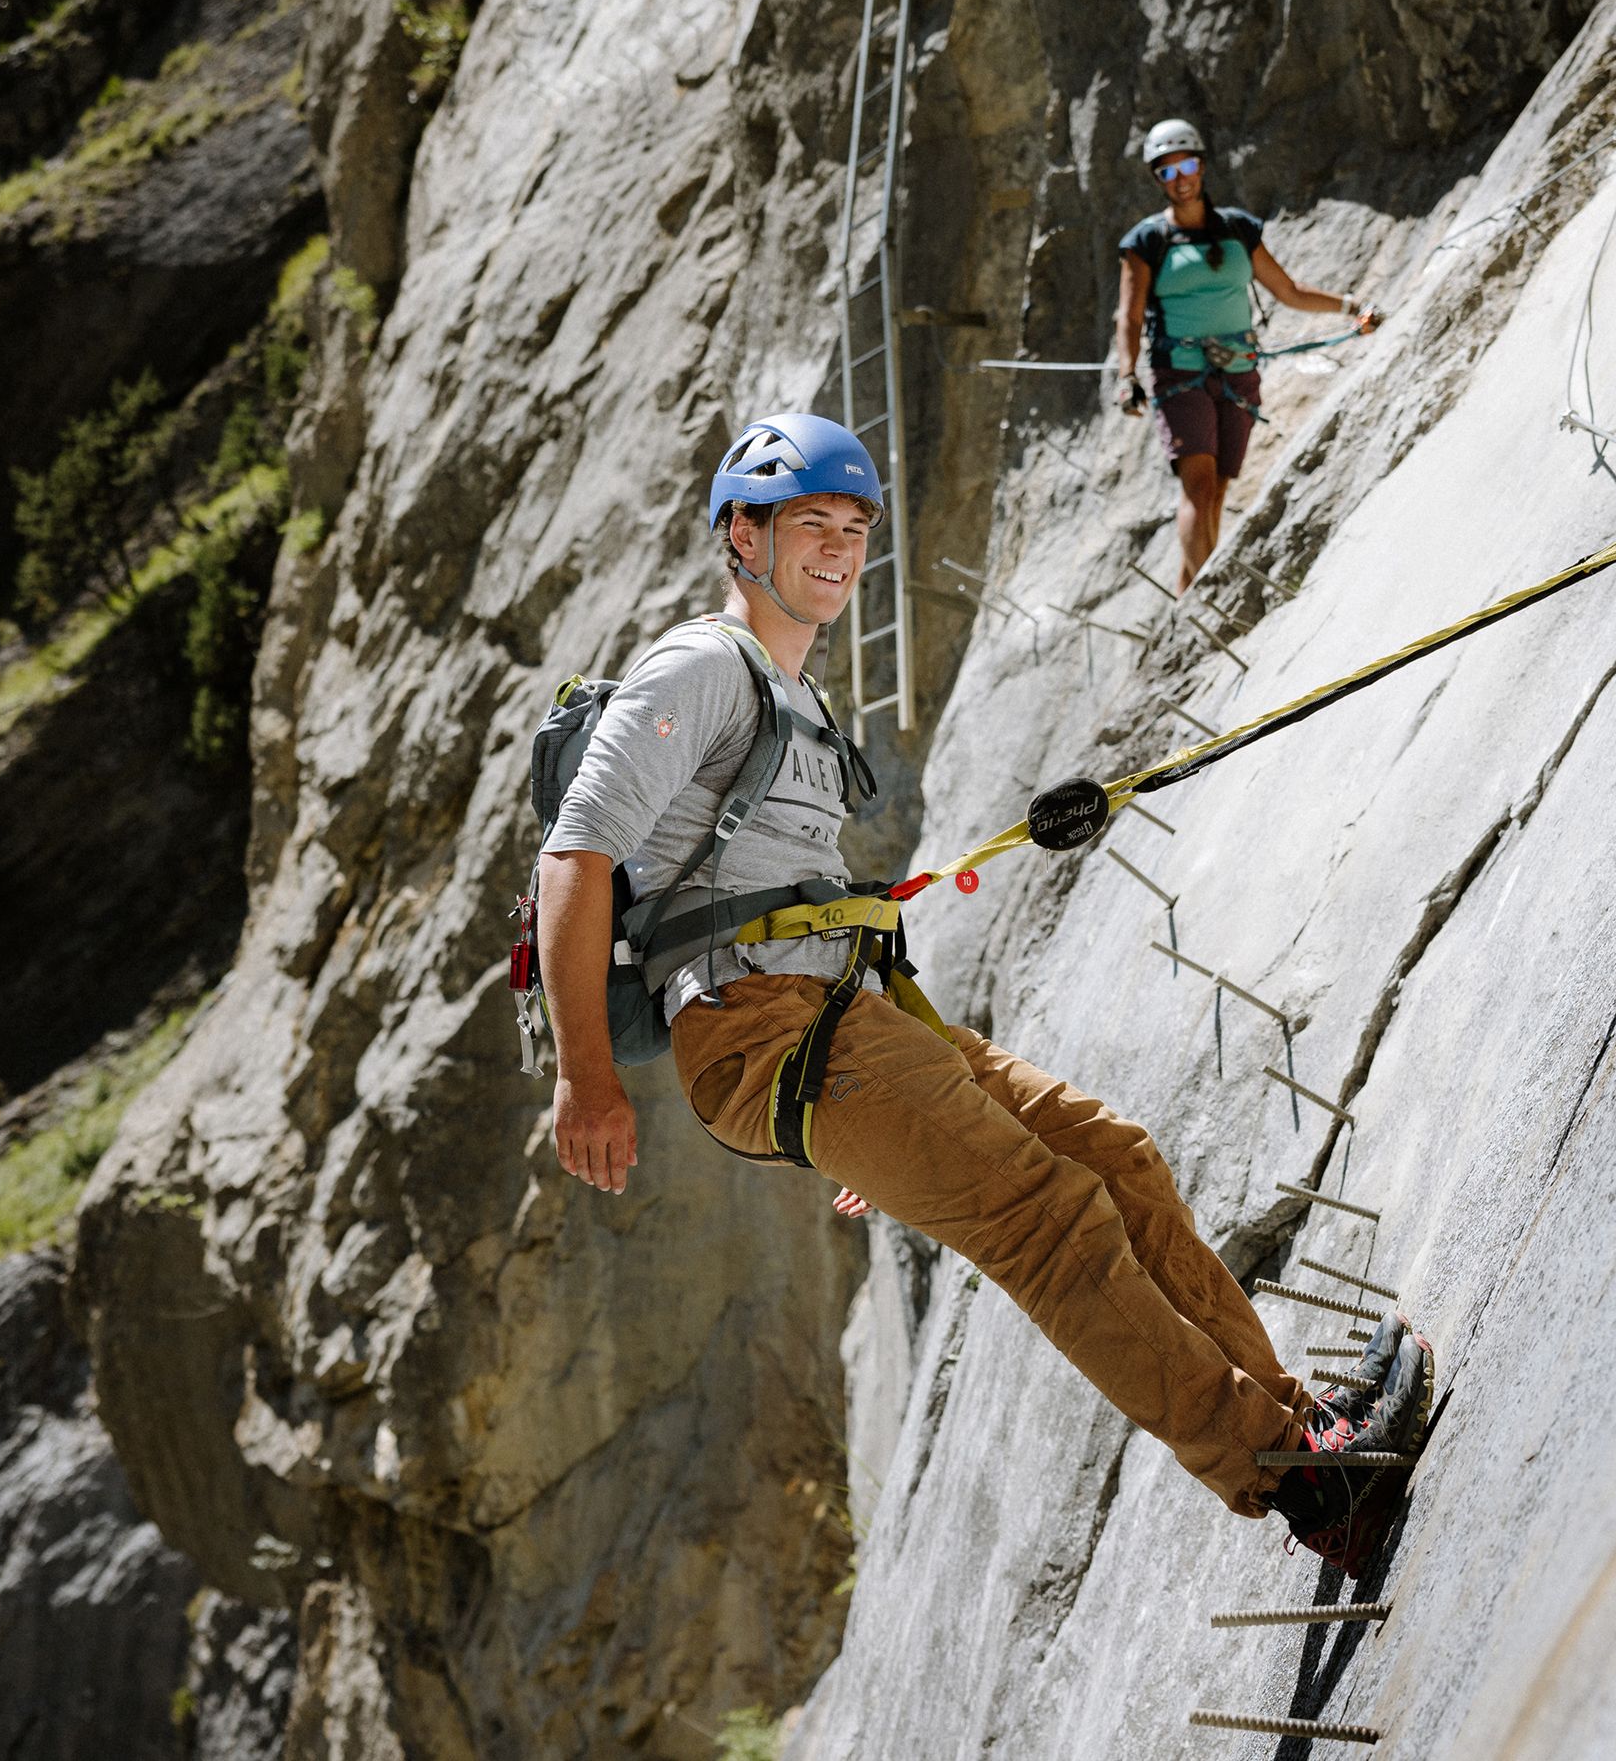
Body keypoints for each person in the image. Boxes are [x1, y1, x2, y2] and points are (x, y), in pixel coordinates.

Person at [534, 412, 1428, 1574]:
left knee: (1112, 1158)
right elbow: (575, 856)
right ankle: (1294, 1477)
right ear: (740, 535)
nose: (838, 549)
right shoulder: (698, 667)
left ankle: (1296, 1422)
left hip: (842, 1029)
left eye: (853, 527)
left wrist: (870, 1130)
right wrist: (584, 1076)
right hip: (766, 1037)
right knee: (1049, 1223)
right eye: (809, 524)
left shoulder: (793, 696)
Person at [1112, 120, 1381, 590]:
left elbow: (1288, 291)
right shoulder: (1146, 242)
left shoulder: (1238, 228)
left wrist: (1351, 307)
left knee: (1216, 490)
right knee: (1198, 486)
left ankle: (1188, 592)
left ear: (1201, 166)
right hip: (1180, 375)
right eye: (1167, 172)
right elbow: (1130, 317)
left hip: (1238, 372)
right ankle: (1210, 595)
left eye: (1186, 166)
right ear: (1157, 179)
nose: (1180, 179)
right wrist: (1126, 374)